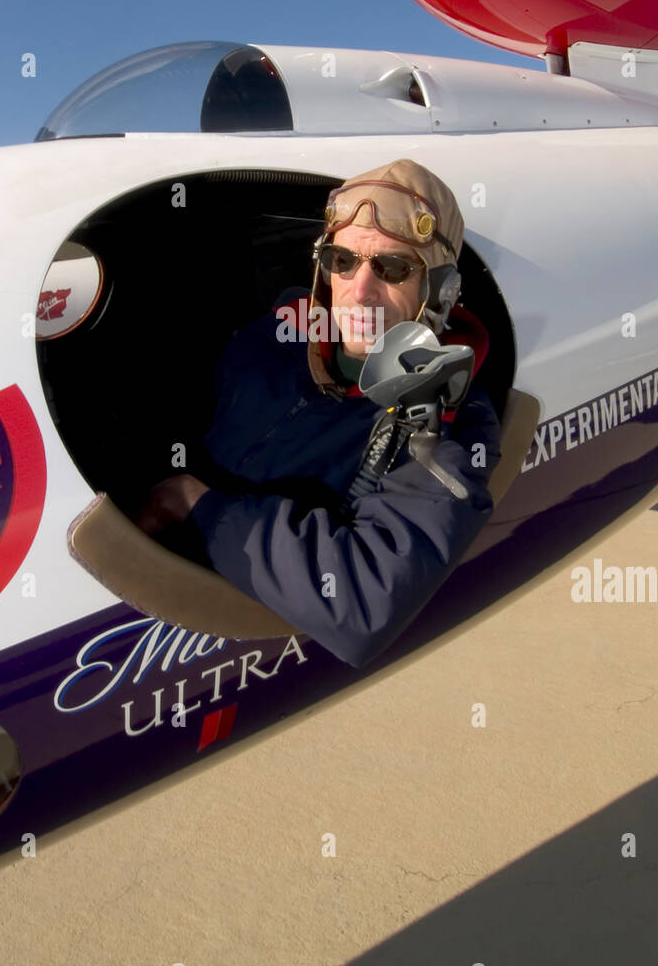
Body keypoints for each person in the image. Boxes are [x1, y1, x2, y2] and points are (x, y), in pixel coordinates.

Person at [136, 159, 501, 668]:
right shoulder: (273, 337)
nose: (361, 289)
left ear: (439, 290)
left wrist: (196, 505)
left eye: (393, 268)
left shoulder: (447, 426)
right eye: (342, 260)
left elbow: (365, 602)